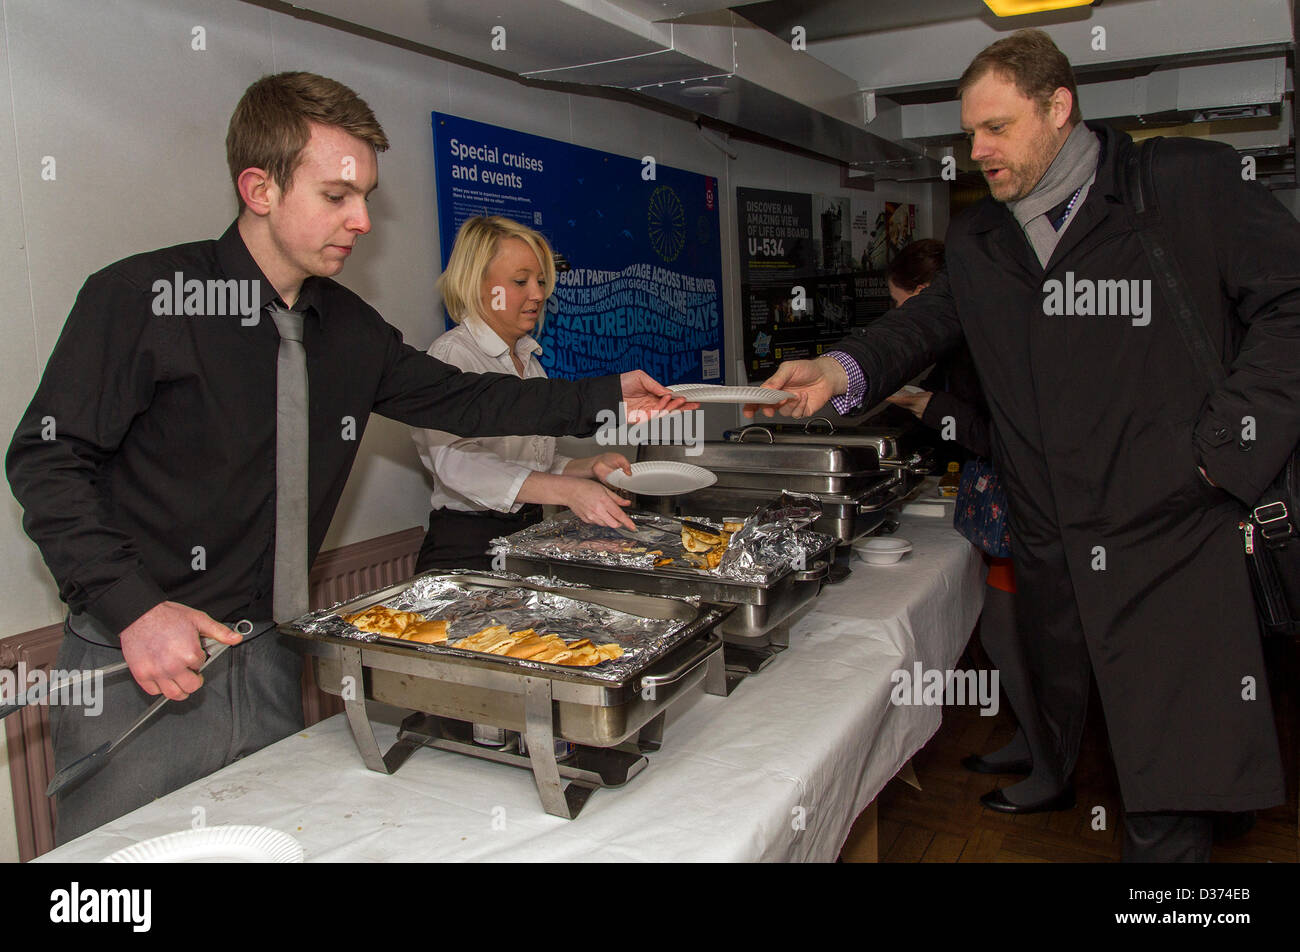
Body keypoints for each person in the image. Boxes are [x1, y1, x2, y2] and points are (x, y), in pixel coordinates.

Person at [5, 72, 689, 843]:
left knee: (266, 844)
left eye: (365, 194)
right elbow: (44, 462)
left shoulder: (349, 330)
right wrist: (133, 608)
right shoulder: (143, 298)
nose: (362, 219)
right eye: (337, 196)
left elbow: (468, 399)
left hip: (266, 658)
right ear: (260, 189)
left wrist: (607, 396)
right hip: (138, 663)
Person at [748, 29, 1300, 861]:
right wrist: (838, 367)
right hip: (1059, 548)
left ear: (1059, 108)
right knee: (1122, 750)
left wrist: (1220, 451)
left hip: (1177, 534)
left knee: (1171, 786)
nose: (978, 152)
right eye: (970, 134)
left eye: (997, 128)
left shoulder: (1181, 184)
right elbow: (926, 322)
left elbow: (1291, 308)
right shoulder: (983, 239)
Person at [884, 240, 1065, 812]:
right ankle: (1033, 744)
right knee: (1005, 638)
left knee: (1016, 642)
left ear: (925, 297)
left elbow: (999, 437)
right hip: (1008, 513)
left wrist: (924, 404)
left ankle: (1053, 771)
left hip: (1025, 512)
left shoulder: (987, 345)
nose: (897, 319)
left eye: (900, 304)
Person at [410, 216, 636, 572]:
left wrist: (586, 468)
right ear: (477, 284)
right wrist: (566, 492)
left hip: (527, 535)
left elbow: (534, 463)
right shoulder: (453, 355)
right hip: (469, 546)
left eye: (541, 282)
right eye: (520, 281)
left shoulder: (529, 361)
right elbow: (458, 463)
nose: (537, 294)